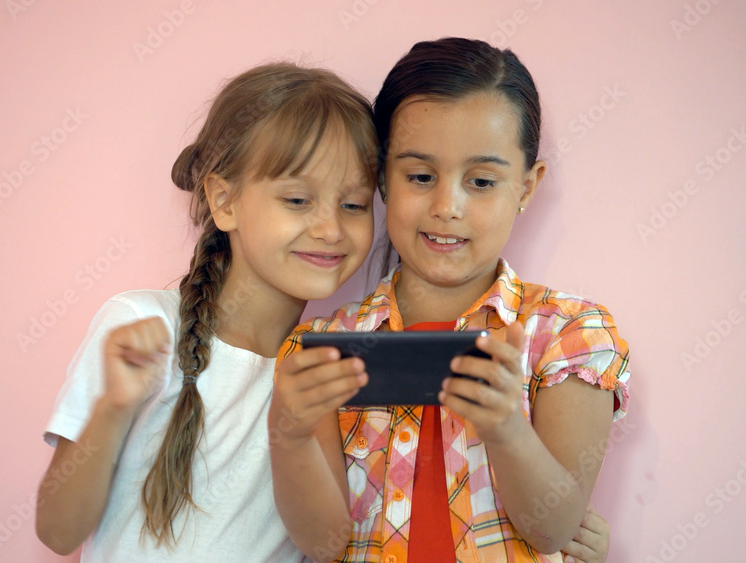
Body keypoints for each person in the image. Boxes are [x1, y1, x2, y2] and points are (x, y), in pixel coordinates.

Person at [270, 37, 631, 562]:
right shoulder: (322, 347)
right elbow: (323, 547)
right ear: (382, 180)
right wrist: (292, 435)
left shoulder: (569, 335)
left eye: (481, 181)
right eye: (420, 176)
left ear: (527, 188)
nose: (447, 206)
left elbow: (554, 529)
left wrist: (508, 428)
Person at [34, 61, 379, 561]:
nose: (330, 228)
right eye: (299, 199)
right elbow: (58, 532)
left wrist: (297, 428)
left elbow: (327, 547)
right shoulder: (142, 328)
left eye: (354, 205)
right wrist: (113, 409)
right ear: (224, 201)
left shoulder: (324, 368)